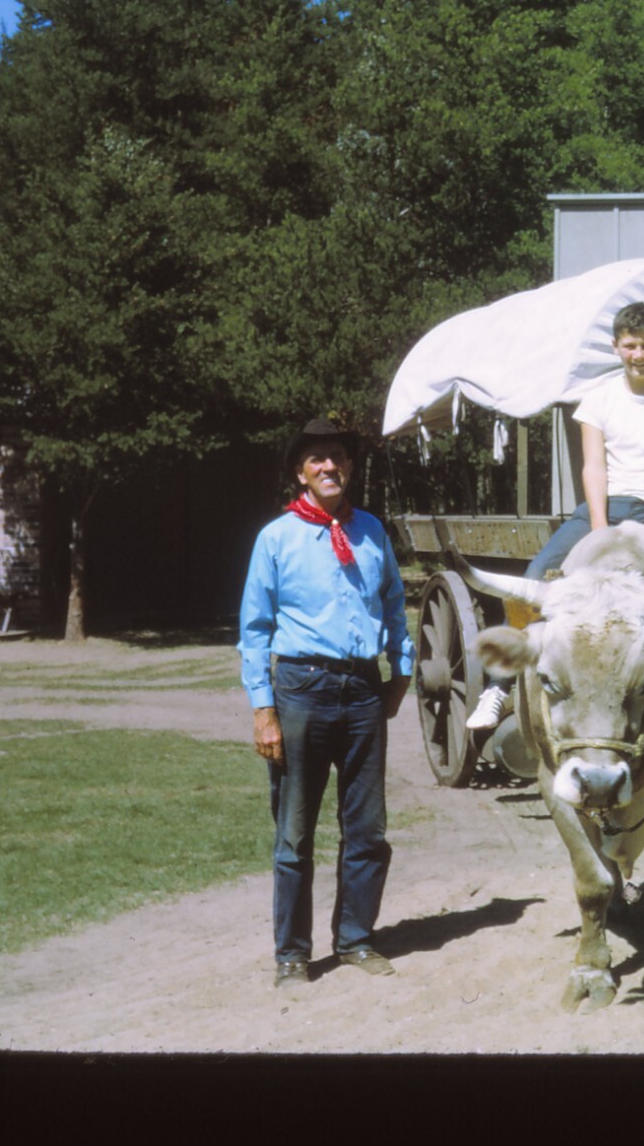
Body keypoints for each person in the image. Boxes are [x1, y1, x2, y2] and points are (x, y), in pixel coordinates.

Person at [466, 300, 644, 730]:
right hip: (608, 501)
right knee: (538, 572)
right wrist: (598, 525)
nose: (638, 355)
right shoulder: (598, 399)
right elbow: (593, 466)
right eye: (630, 346)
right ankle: (499, 687)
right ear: (616, 347)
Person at [239, 417, 416, 988]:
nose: (328, 466)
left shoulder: (371, 531)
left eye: (337, 456)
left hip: (363, 691)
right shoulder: (276, 538)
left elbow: (394, 602)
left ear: (351, 466)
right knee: (294, 833)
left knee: (367, 828)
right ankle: (292, 954)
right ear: (301, 472)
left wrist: (401, 672)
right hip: (301, 691)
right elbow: (255, 629)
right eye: (316, 459)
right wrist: (264, 710)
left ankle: (356, 939)